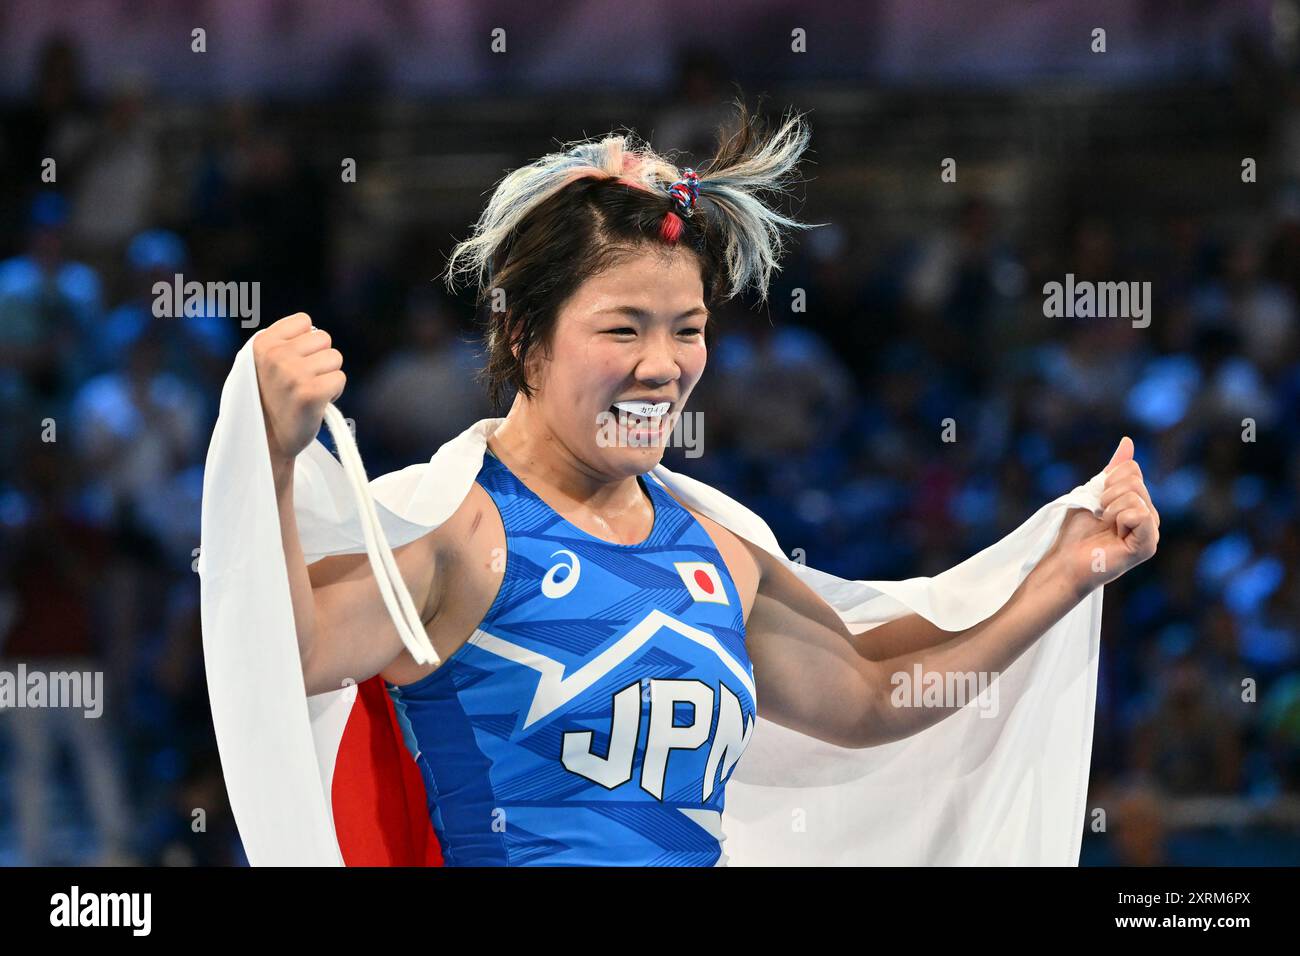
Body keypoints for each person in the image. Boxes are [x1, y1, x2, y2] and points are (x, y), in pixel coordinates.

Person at [213, 102, 1160, 866]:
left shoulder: (717, 549)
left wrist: (1064, 575)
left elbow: (874, 693)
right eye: (623, 329)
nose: (663, 367)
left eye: (689, 328)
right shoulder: (463, 537)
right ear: (522, 338)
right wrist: (272, 451)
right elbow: (284, 657)